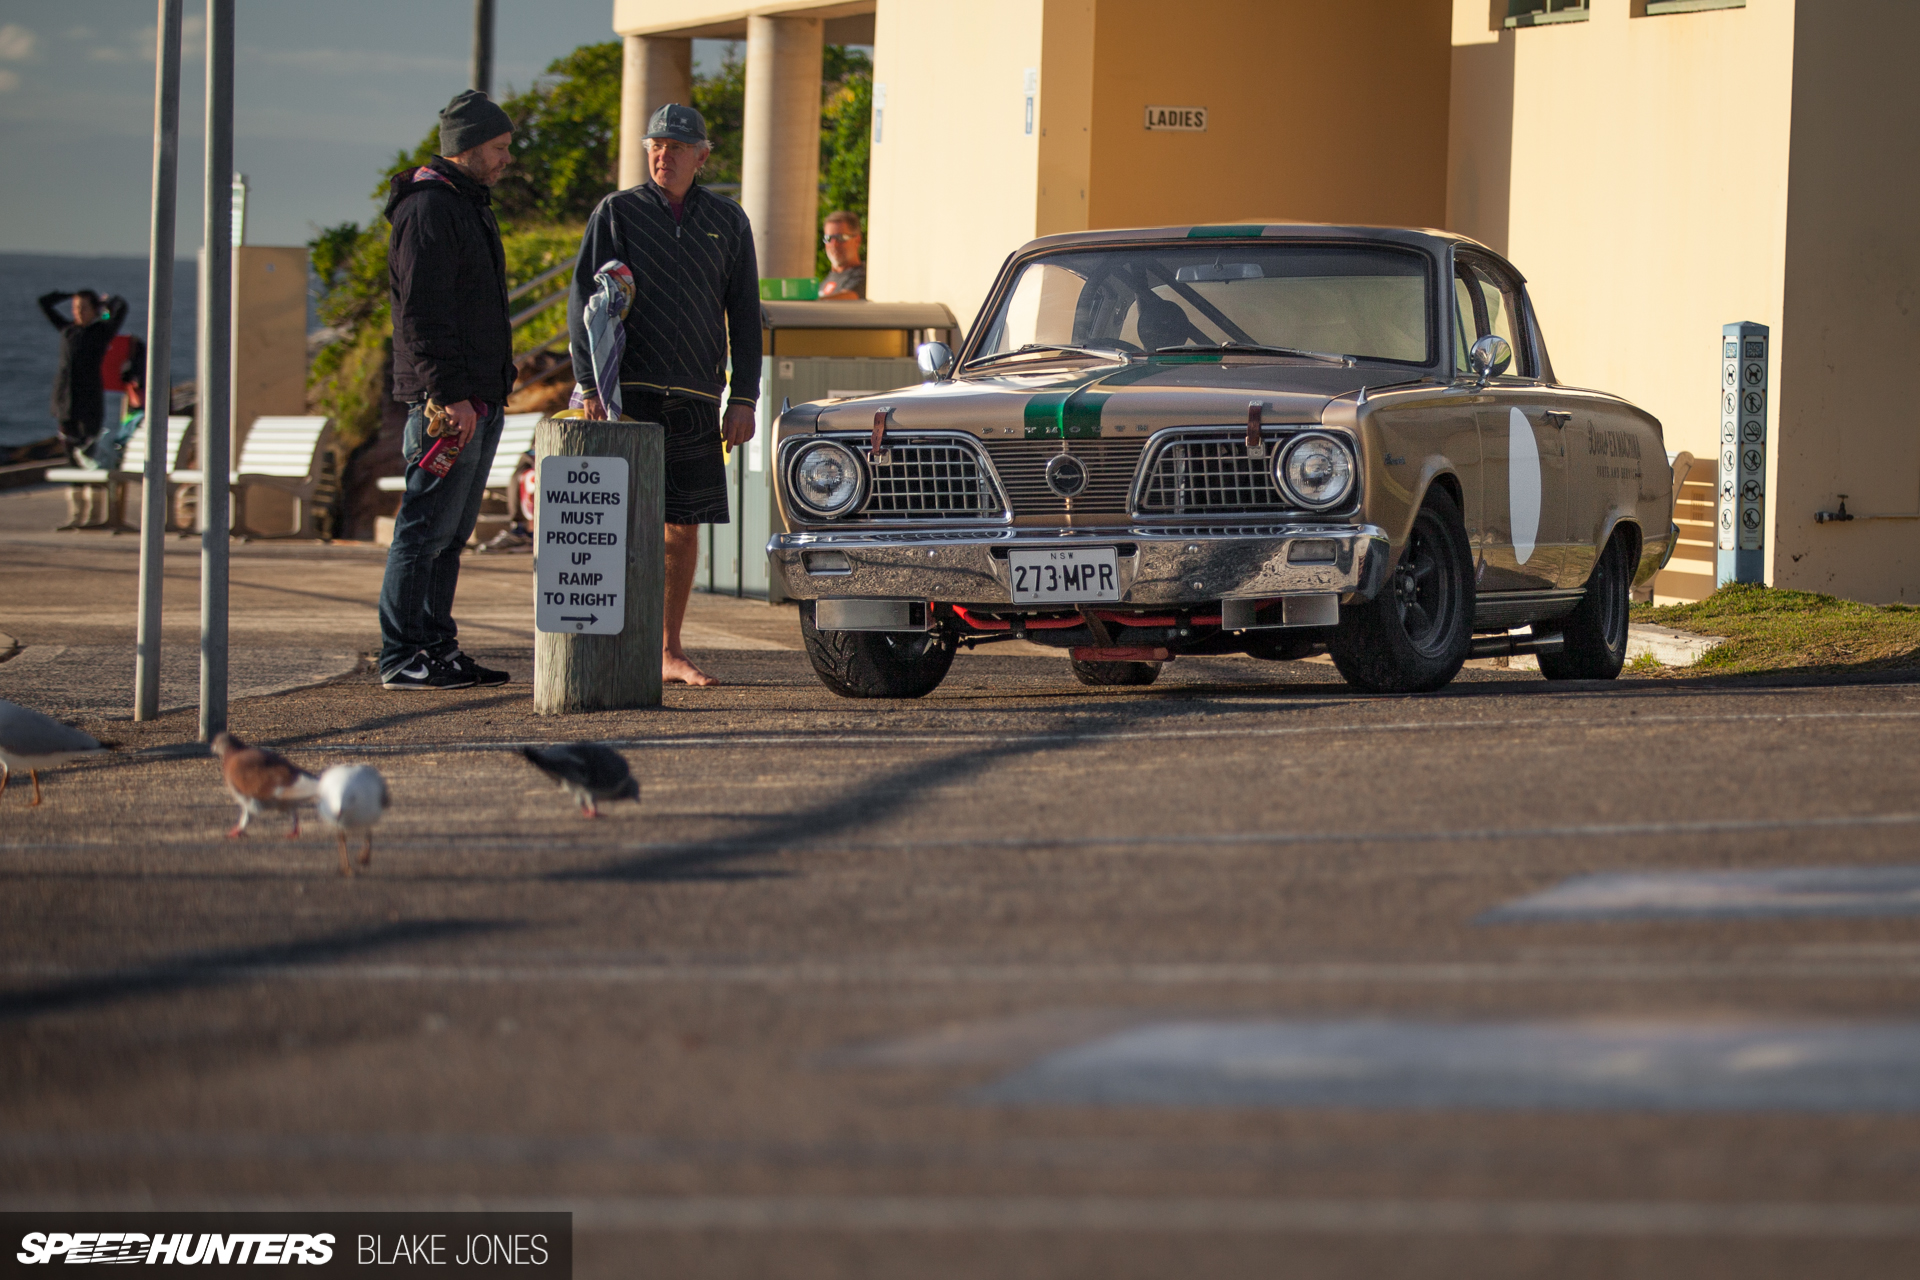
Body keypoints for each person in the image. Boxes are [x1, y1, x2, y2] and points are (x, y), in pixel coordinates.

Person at [569, 102, 760, 687]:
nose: (663, 155)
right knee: (620, 523)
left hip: (699, 396)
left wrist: (745, 396)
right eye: (656, 145)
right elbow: (584, 301)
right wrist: (588, 385)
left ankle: (666, 649)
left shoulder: (729, 221)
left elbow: (745, 314)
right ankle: (612, 645)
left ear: (701, 157)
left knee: (683, 525)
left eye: (677, 147)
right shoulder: (617, 212)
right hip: (628, 393)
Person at [375, 89, 519, 691]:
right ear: (467, 148)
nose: (507, 158)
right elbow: (423, 317)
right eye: (499, 147)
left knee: (451, 534)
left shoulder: (466, 204)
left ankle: (437, 647)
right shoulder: (429, 209)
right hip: (447, 404)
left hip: (476, 398)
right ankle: (401, 655)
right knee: (424, 527)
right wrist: (451, 394)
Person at [38, 288, 129, 528]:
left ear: (94, 311)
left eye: (83, 308)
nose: (78, 312)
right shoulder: (68, 331)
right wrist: (69, 294)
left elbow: (120, 307)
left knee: (91, 456)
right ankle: (76, 514)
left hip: (88, 404)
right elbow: (44, 303)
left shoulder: (101, 331)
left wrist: (104, 303)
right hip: (65, 403)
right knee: (71, 458)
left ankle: (95, 514)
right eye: (75, 308)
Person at [817, 211, 866, 300]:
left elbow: (849, 297)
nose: (834, 244)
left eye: (841, 238)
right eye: (828, 238)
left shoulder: (862, 276)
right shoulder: (829, 278)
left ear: (857, 240)